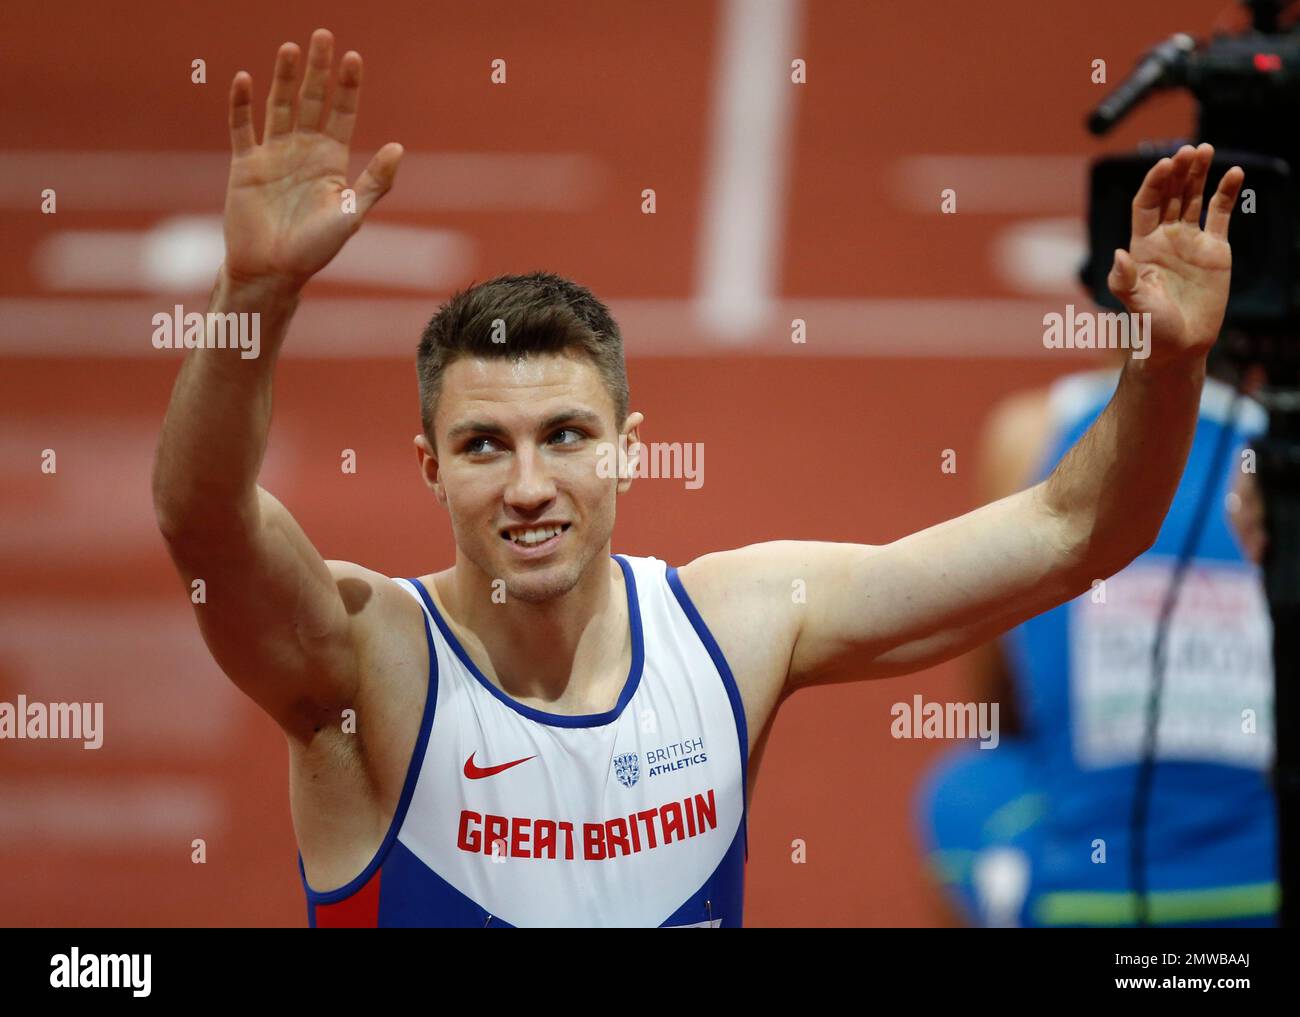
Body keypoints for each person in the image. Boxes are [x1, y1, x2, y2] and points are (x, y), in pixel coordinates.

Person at [152, 28, 1247, 927]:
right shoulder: (365, 665)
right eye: (485, 446)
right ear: (429, 469)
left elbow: (1079, 528)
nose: (529, 483)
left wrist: (1166, 364)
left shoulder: (735, 628)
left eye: (568, 436)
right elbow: (206, 524)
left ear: (629, 446)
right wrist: (255, 295)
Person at [915, 355, 1277, 927]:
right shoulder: (1282, 453)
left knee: (962, 785)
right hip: (1272, 891)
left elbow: (999, 711)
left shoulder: (1030, 436)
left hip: (1084, 901)